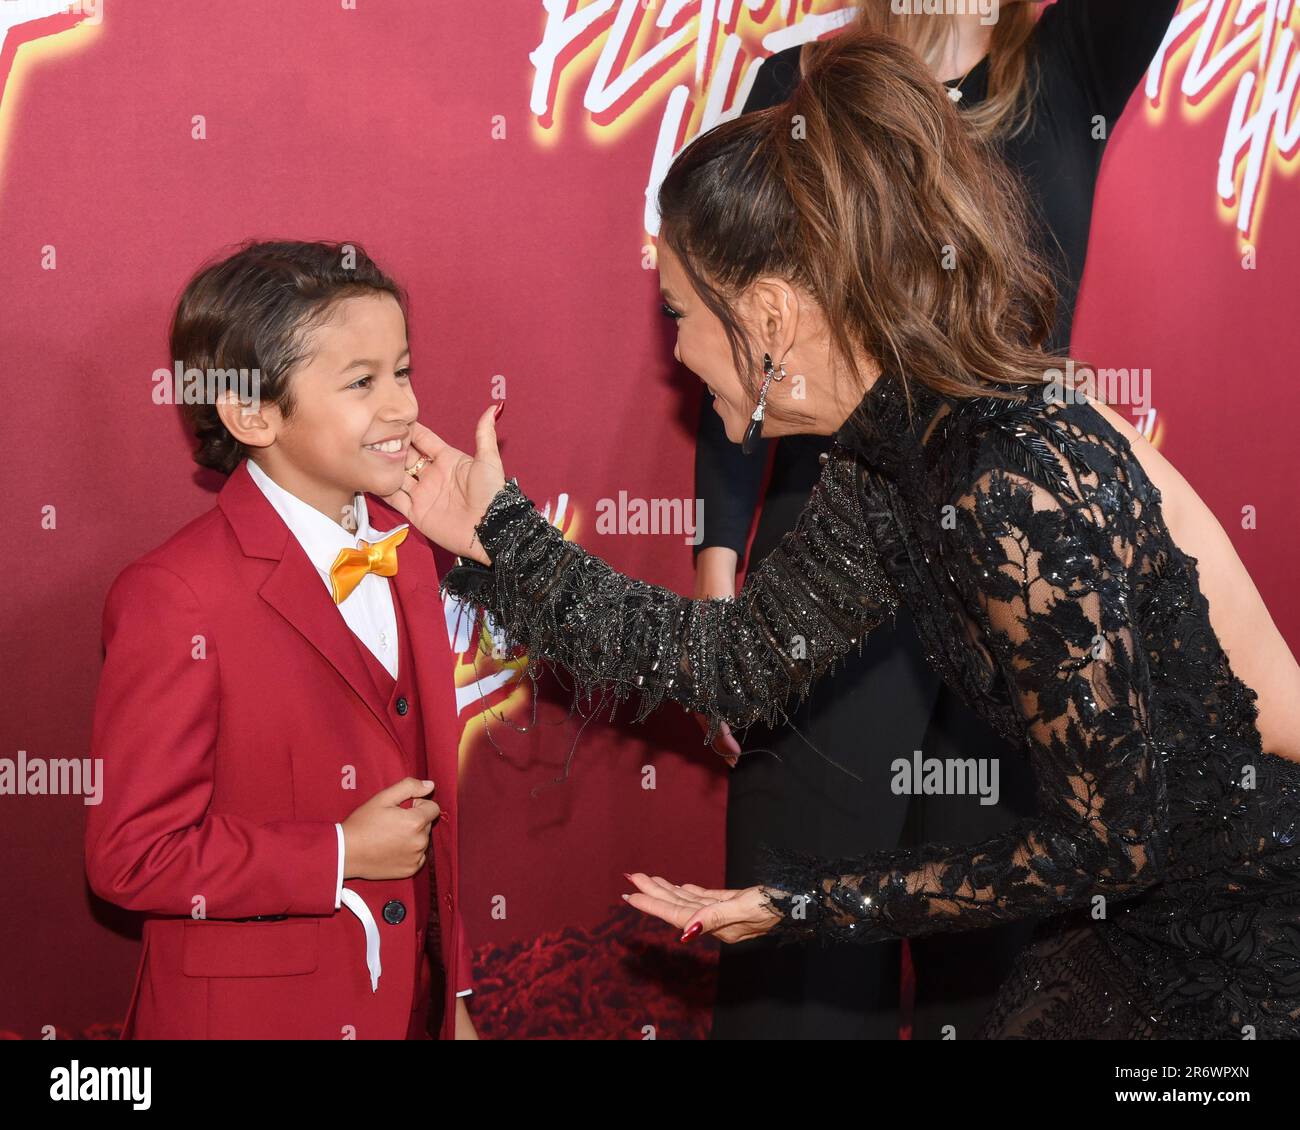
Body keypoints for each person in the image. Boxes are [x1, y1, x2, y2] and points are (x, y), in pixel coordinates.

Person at [390, 31, 1300, 1039]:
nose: (677, 349)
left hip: (1235, 918)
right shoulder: (891, 457)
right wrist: (501, 535)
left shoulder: (1002, 474)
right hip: (1134, 899)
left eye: (680, 312)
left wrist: (801, 904)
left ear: (769, 313)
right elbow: (732, 660)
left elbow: (1113, 842)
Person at [694, 0, 1181, 1038]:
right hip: (830, 555)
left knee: (998, 968)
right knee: (800, 969)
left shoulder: (1069, 67)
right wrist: (716, 566)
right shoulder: (804, 82)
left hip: (1006, 576)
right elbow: (739, 338)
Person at [84, 240, 477, 1039]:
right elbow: (131, 855)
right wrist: (336, 852)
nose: (402, 405)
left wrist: (453, 996)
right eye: (362, 382)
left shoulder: (408, 556)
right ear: (251, 412)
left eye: (402, 370)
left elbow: (434, 821)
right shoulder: (175, 597)